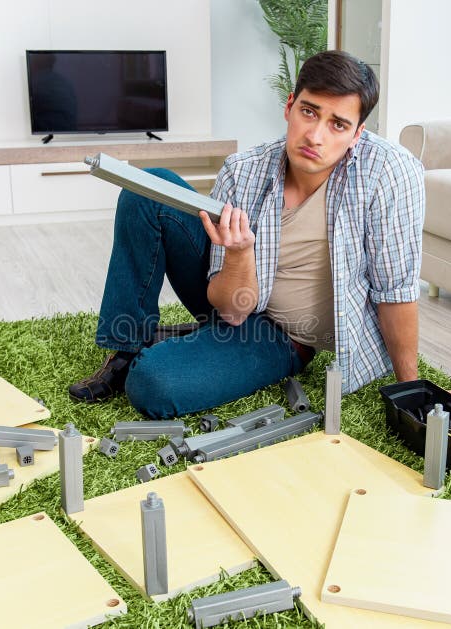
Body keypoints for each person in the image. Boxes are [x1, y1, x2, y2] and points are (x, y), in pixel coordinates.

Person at [68, 50, 425, 419]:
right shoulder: (244, 171)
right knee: (148, 188)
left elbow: (395, 290)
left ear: (357, 134)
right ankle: (125, 350)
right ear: (290, 106)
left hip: (284, 337)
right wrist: (239, 255)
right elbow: (233, 311)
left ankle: (174, 347)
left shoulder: (390, 173)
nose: (315, 136)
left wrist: (410, 391)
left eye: (338, 124)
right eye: (309, 111)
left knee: (152, 385)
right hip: (235, 304)